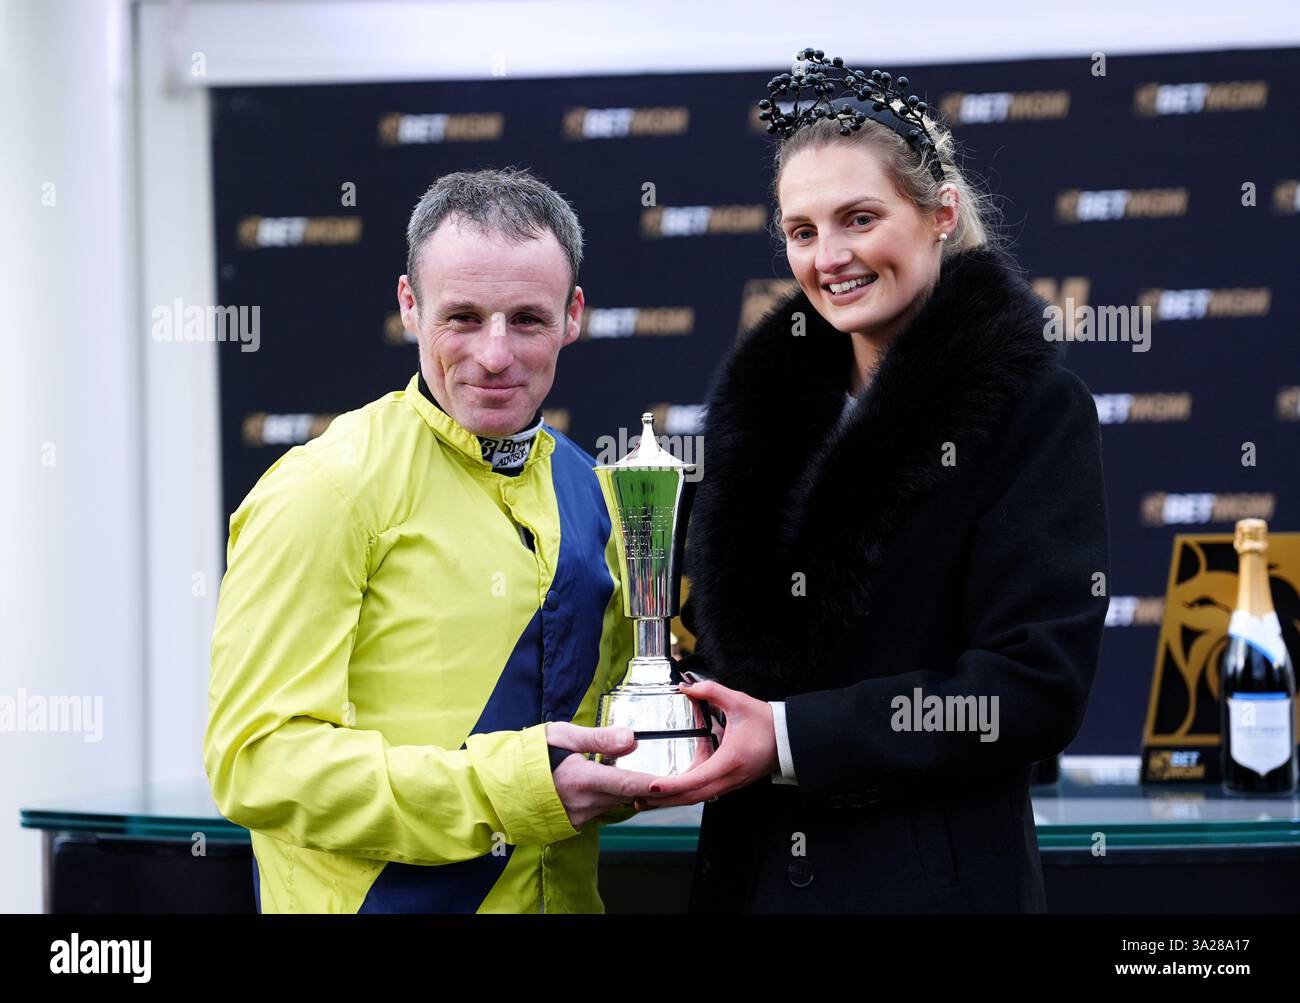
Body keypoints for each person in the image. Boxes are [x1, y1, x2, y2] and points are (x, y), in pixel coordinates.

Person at [644, 51, 1111, 912]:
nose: (832, 257)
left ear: (940, 213)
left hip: (930, 890)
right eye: (803, 231)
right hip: (749, 881)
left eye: (859, 218)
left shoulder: (1033, 409)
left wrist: (789, 737)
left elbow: (1032, 687)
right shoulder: (762, 406)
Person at [204, 167, 653, 914]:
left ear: (574, 315)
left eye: (528, 319)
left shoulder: (596, 493)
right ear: (410, 306)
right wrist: (512, 788)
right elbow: (257, 762)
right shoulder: (326, 488)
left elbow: (598, 740)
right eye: (464, 317)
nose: (495, 354)